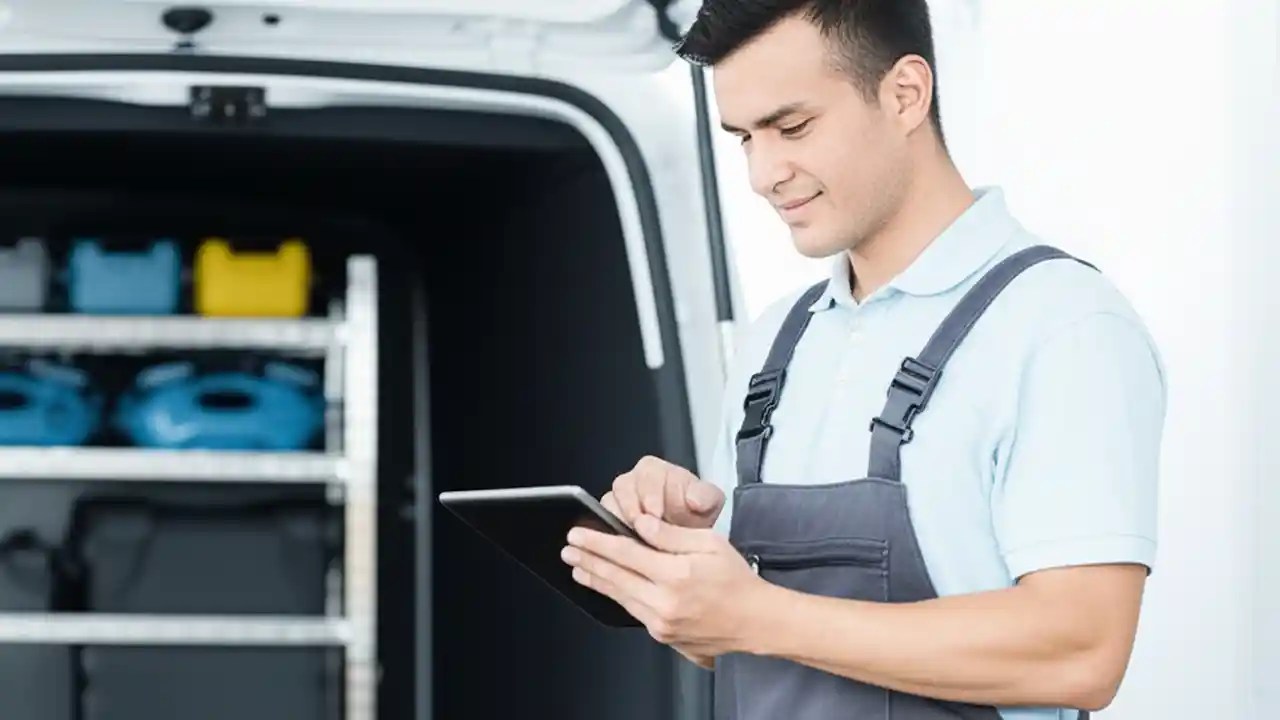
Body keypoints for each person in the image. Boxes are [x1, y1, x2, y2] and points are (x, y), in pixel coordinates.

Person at [559, 1, 1167, 719]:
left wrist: (758, 613)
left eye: (793, 127)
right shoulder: (775, 343)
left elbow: (1082, 651)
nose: (763, 173)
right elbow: (733, 642)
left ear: (905, 93)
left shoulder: (1060, 324)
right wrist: (687, 571)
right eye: (744, 138)